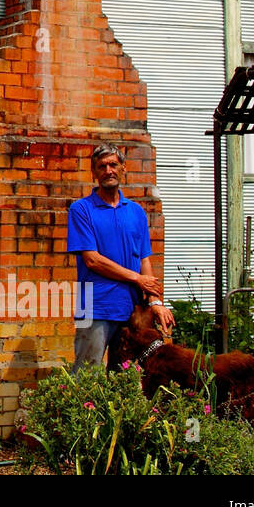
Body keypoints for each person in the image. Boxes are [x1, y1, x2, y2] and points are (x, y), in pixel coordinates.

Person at [67, 143, 175, 372]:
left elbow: (144, 260)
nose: (108, 171)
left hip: (131, 309)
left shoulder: (135, 212)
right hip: (94, 306)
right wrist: (137, 279)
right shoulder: (81, 210)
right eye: (102, 166)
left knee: (123, 378)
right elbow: (92, 260)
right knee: (87, 375)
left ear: (123, 168)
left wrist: (155, 302)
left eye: (113, 165)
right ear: (94, 172)